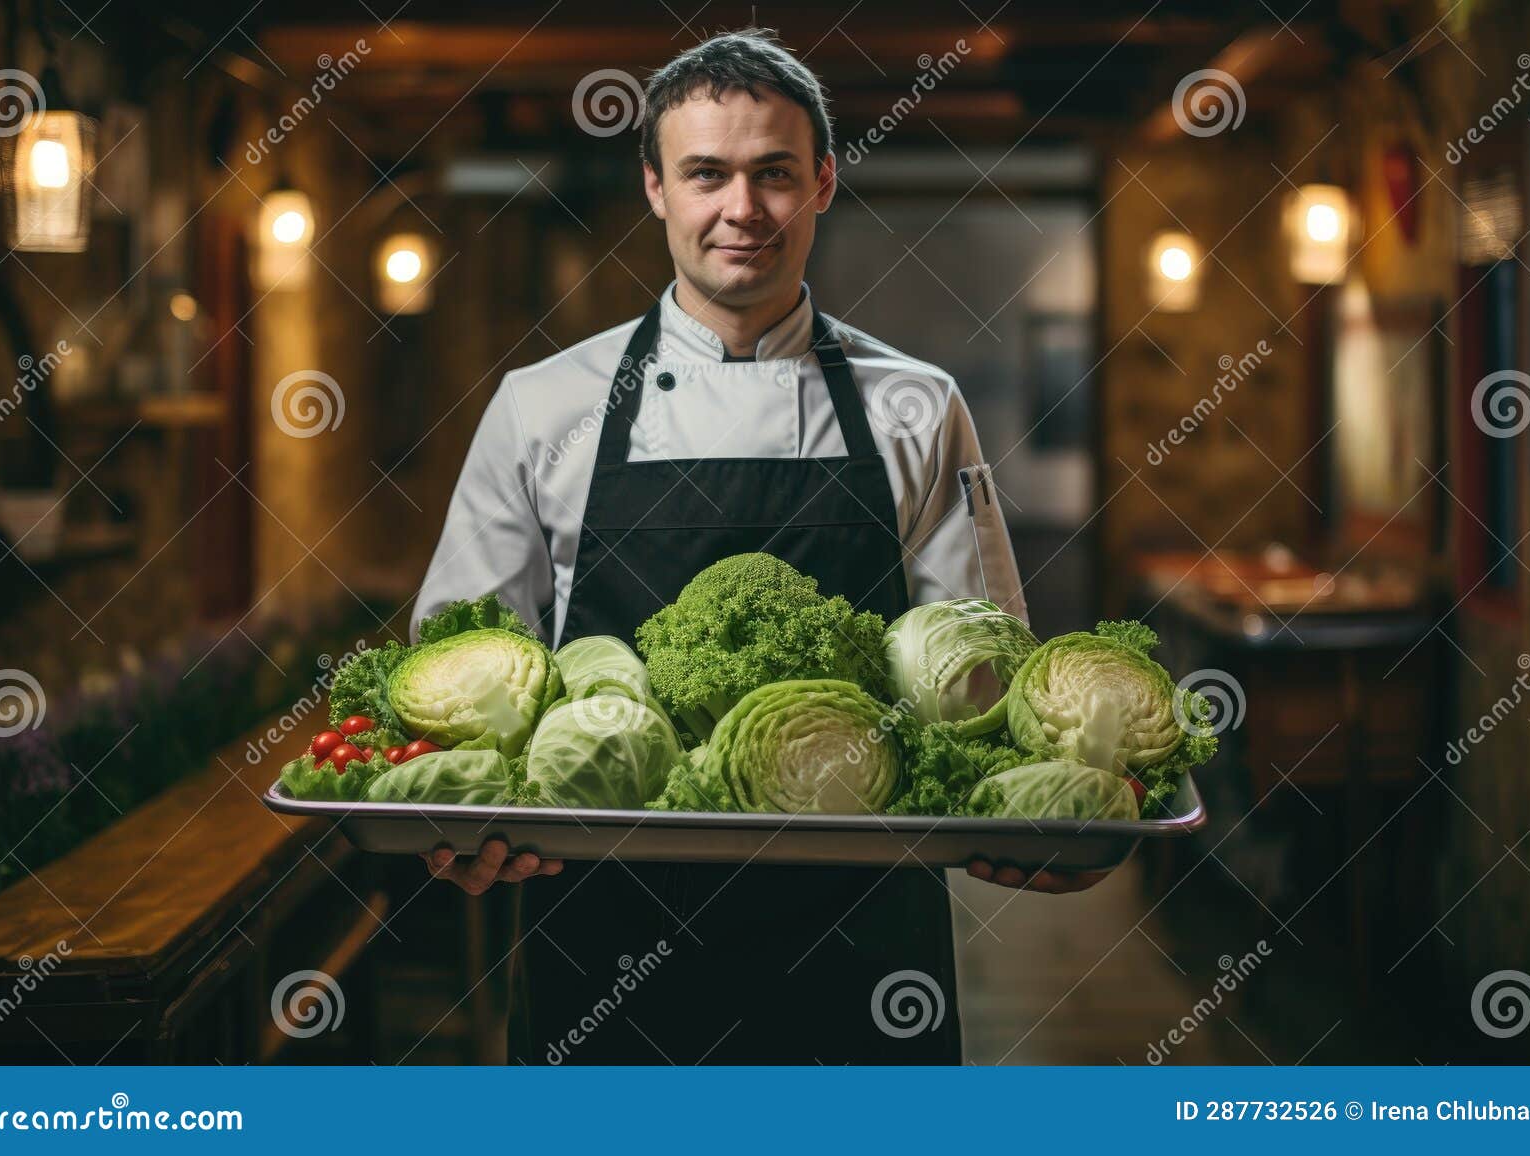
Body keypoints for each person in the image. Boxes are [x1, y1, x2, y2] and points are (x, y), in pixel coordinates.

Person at [411, 29, 1104, 1065]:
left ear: (822, 181)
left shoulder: (914, 407)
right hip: (601, 935)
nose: (743, 208)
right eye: (706, 174)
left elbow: (980, 673)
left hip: (862, 941)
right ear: (655, 187)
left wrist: (1044, 814)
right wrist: (456, 827)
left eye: (775, 173)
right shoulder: (540, 406)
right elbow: (455, 661)